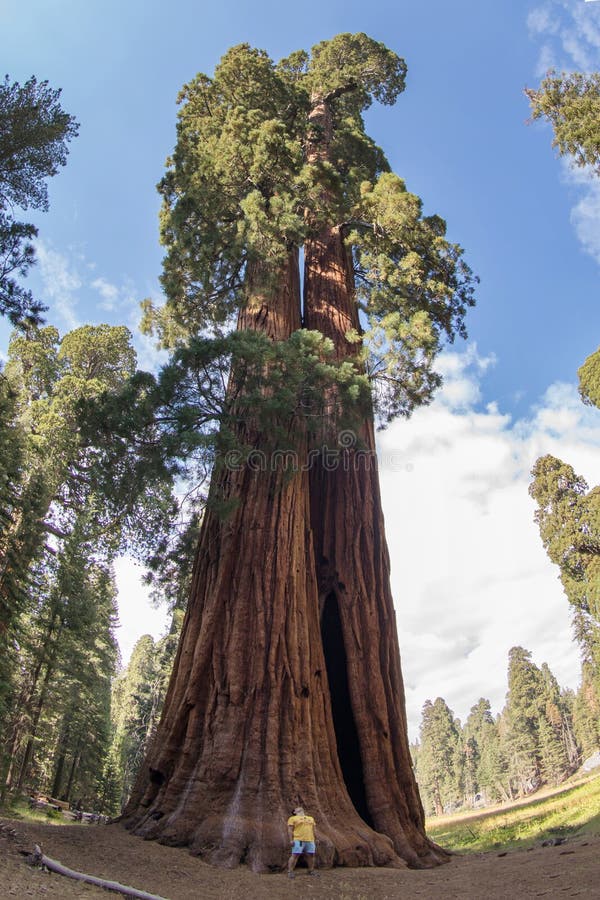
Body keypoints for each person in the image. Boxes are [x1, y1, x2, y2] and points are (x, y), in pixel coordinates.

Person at [287, 806, 318, 878]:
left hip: (310, 840)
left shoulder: (311, 818)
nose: (299, 808)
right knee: (295, 855)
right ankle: (290, 871)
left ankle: (311, 870)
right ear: (294, 812)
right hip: (299, 840)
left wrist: (316, 838)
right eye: (296, 808)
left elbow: (314, 829)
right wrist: (291, 840)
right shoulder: (292, 818)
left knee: (311, 855)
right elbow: (290, 830)